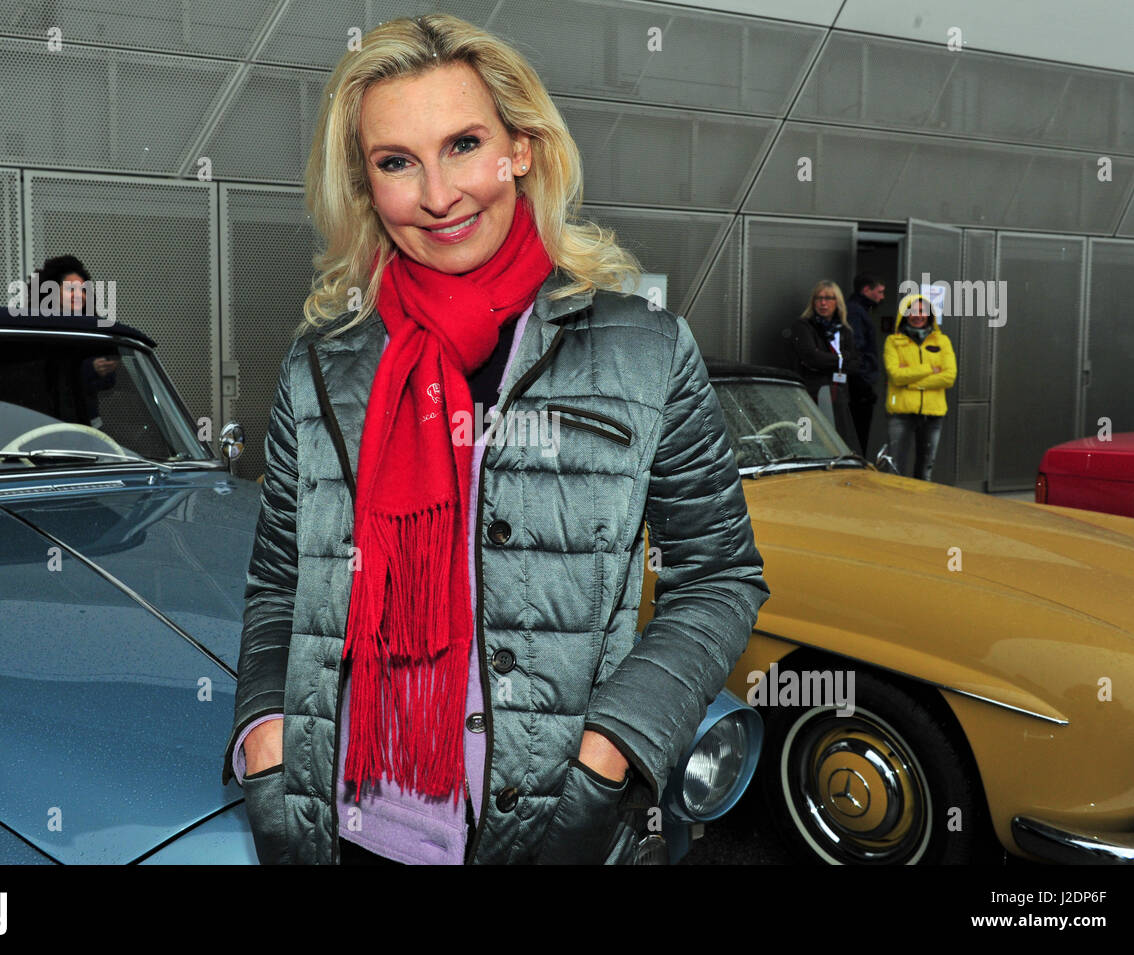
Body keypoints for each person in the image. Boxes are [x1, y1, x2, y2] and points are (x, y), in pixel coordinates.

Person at [223, 13, 769, 866]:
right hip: (342, 830)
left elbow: (721, 575)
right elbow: (280, 584)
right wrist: (265, 738)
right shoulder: (321, 362)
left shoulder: (645, 348)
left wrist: (610, 755)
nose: (438, 195)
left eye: (464, 144)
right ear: (366, 186)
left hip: (557, 830)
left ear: (522, 147)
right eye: (396, 161)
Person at [36, 255, 118, 428]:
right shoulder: (37, 330)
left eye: (83, 290)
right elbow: (41, 379)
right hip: (44, 426)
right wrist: (89, 369)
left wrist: (105, 369)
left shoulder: (94, 329)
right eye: (70, 289)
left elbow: (110, 382)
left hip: (89, 425)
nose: (78, 295)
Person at [781, 280, 862, 453]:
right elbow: (812, 358)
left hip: (837, 396)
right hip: (810, 396)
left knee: (837, 444)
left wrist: (832, 360)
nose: (823, 303)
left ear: (837, 302)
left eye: (828, 298)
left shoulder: (844, 330)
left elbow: (855, 364)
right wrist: (842, 359)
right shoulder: (803, 326)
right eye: (819, 298)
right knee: (809, 444)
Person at [883, 293, 956, 481]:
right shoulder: (893, 341)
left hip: (933, 414)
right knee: (895, 468)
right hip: (901, 413)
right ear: (905, 314)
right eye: (913, 311)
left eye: (923, 311)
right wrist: (929, 369)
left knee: (925, 470)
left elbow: (949, 377)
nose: (918, 315)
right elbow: (896, 376)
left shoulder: (942, 341)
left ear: (930, 315)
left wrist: (912, 381)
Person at [845, 273, 885, 454]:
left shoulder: (859, 309)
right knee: (859, 433)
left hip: (860, 380)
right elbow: (857, 346)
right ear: (866, 290)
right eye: (879, 291)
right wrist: (864, 378)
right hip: (859, 382)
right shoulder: (855, 311)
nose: (882, 297)